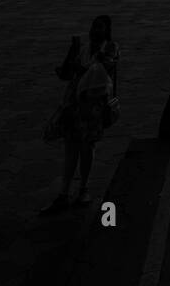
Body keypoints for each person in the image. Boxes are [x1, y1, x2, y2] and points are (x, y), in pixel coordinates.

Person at [41, 20, 118, 215]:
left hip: (93, 108)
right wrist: (72, 51)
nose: (95, 32)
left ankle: (83, 188)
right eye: (94, 27)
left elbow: (101, 72)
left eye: (100, 29)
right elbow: (66, 74)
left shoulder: (109, 49)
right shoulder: (83, 49)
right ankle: (65, 192)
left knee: (86, 148)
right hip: (74, 104)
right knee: (71, 149)